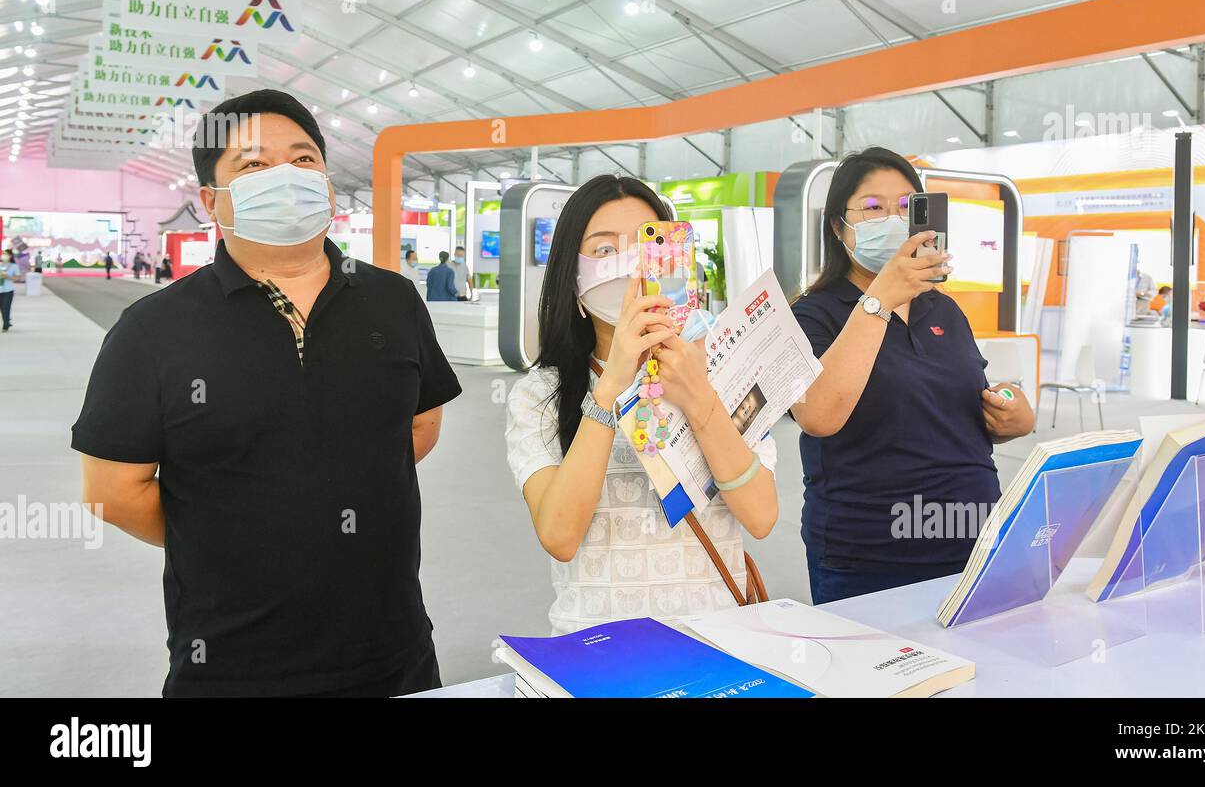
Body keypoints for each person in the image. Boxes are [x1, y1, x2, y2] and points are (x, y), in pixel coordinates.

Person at [73, 88, 462, 697]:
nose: (285, 176)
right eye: (253, 165)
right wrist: (236, 532)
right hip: (231, 670)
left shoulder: (394, 300)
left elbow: (418, 425)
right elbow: (112, 492)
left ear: (329, 186)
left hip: (397, 660)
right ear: (211, 201)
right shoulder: (154, 330)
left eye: (304, 160)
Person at [505, 175, 778, 635]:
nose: (628, 265)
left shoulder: (721, 370)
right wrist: (611, 384)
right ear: (571, 276)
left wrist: (699, 397)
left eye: (644, 246)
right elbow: (559, 535)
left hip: (718, 639)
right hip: (596, 645)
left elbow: (762, 515)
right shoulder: (540, 395)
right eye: (604, 249)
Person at [791, 148, 1035, 605]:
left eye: (906, 207)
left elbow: (962, 408)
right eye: (872, 207)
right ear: (836, 226)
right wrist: (880, 298)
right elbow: (818, 414)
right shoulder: (812, 315)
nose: (891, 219)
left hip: (973, 543)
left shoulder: (942, 308)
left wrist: (1011, 414)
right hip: (869, 558)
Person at [0, 249, 19, 331]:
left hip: (8, 290)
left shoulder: (14, 266)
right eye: (3, 254)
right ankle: (7, 321)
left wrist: (8, 276)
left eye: (6, 254)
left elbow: (17, 278)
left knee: (6, 307)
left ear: (10, 256)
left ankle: (5, 325)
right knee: (2, 308)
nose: (4, 255)